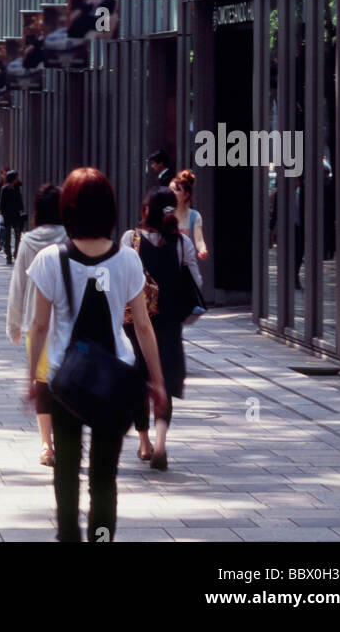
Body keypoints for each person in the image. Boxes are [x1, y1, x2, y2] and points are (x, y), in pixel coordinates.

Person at [27, 168, 166, 543]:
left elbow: (39, 327)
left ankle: (68, 536)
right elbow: (142, 327)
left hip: (64, 379)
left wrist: (31, 378)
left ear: (67, 208)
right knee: (104, 478)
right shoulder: (127, 260)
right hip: (114, 379)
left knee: (67, 472)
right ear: (110, 208)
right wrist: (157, 382)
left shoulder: (48, 259)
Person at [121, 188, 202, 470]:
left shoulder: (130, 240)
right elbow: (196, 283)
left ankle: (143, 443)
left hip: (134, 324)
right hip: (169, 323)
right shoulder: (182, 243)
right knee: (163, 382)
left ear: (146, 211)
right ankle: (162, 442)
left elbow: (119, 278)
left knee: (139, 382)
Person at [6, 182, 67, 465]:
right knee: (64, 382)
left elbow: (18, 284)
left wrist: (14, 325)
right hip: (67, 319)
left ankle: (46, 444)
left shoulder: (28, 241)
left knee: (42, 383)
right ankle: (68, 438)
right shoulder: (71, 238)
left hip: (34, 320)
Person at [170, 170, 209, 260]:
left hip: (186, 264)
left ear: (186, 195)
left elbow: (199, 240)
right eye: (169, 189)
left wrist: (202, 250)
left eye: (176, 190)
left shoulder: (194, 216)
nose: (171, 193)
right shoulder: (165, 213)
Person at [0, 169, 25, 265]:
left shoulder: (17, 188)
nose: (18, 179)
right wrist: (1, 213)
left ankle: (16, 252)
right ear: (12, 178)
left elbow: (20, 200)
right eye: (16, 177)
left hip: (17, 215)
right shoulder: (4, 189)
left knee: (18, 234)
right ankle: (8, 255)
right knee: (7, 236)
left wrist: (22, 210)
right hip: (7, 215)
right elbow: (1, 203)